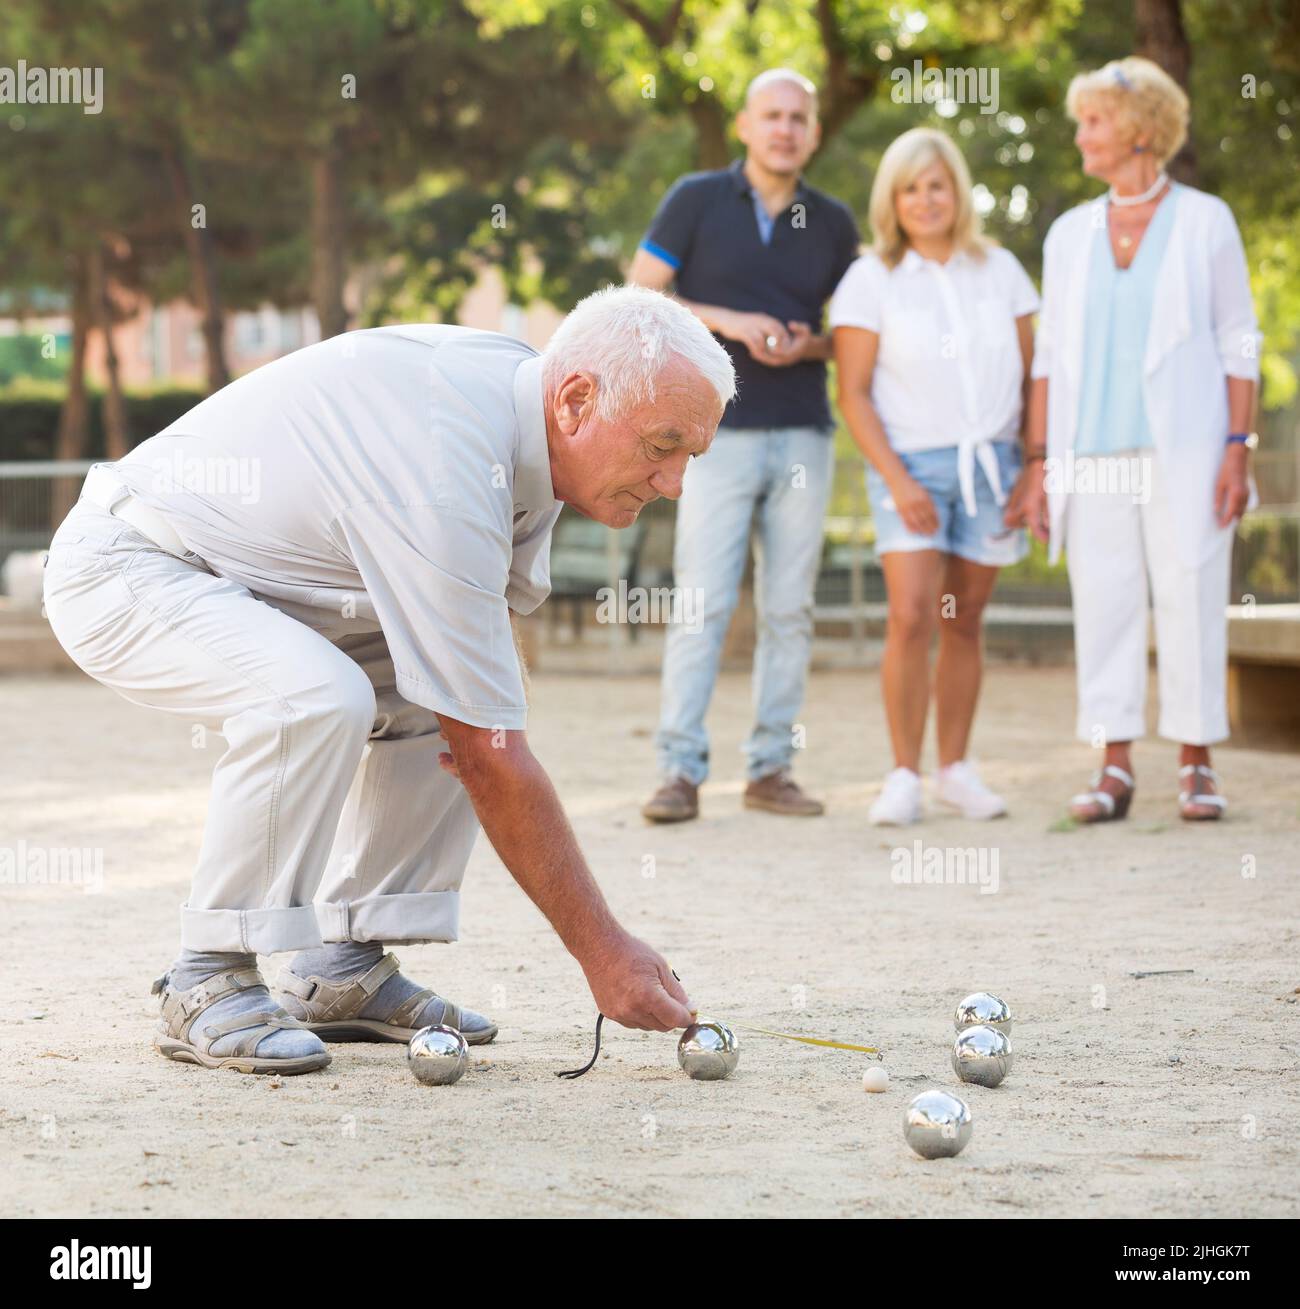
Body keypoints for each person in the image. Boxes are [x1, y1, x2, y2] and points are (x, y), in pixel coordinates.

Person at [41, 286, 734, 1076]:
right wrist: (602, 948)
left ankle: (338, 968)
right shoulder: (450, 454)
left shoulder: (523, 414)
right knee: (318, 698)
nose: (674, 481)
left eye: (691, 455)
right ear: (577, 400)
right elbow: (490, 752)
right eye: (661, 444)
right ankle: (207, 975)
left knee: (452, 694)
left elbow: (481, 685)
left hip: (259, 586)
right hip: (130, 565)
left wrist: (482, 720)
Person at [1008, 56, 1260, 823]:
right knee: (1105, 603)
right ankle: (1113, 765)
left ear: (1140, 129)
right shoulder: (1068, 234)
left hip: (1183, 449)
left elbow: (1238, 340)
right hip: (1091, 457)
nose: (1080, 133)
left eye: (1094, 120)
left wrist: (1237, 445)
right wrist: (1040, 464)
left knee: (1190, 594)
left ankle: (1196, 763)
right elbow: (1048, 357)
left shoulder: (1205, 220)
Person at [629, 68, 862, 823]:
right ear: (745, 125)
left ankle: (771, 768)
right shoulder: (695, 198)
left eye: (799, 117)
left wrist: (809, 344)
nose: (785, 128)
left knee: (791, 608)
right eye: (772, 115)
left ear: (815, 132)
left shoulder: (833, 223)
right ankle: (678, 770)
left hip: (803, 433)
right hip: (712, 437)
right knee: (701, 603)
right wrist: (732, 322)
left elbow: (857, 340)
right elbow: (640, 296)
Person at [830, 127, 1039, 825]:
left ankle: (954, 768)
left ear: (958, 192)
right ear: (893, 199)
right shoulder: (871, 278)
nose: (925, 199)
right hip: (910, 464)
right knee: (913, 613)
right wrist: (899, 479)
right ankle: (902, 775)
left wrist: (1033, 464)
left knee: (967, 619)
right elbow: (853, 392)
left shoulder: (1001, 269)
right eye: (910, 188)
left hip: (995, 462)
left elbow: (1038, 371)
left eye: (937, 185)